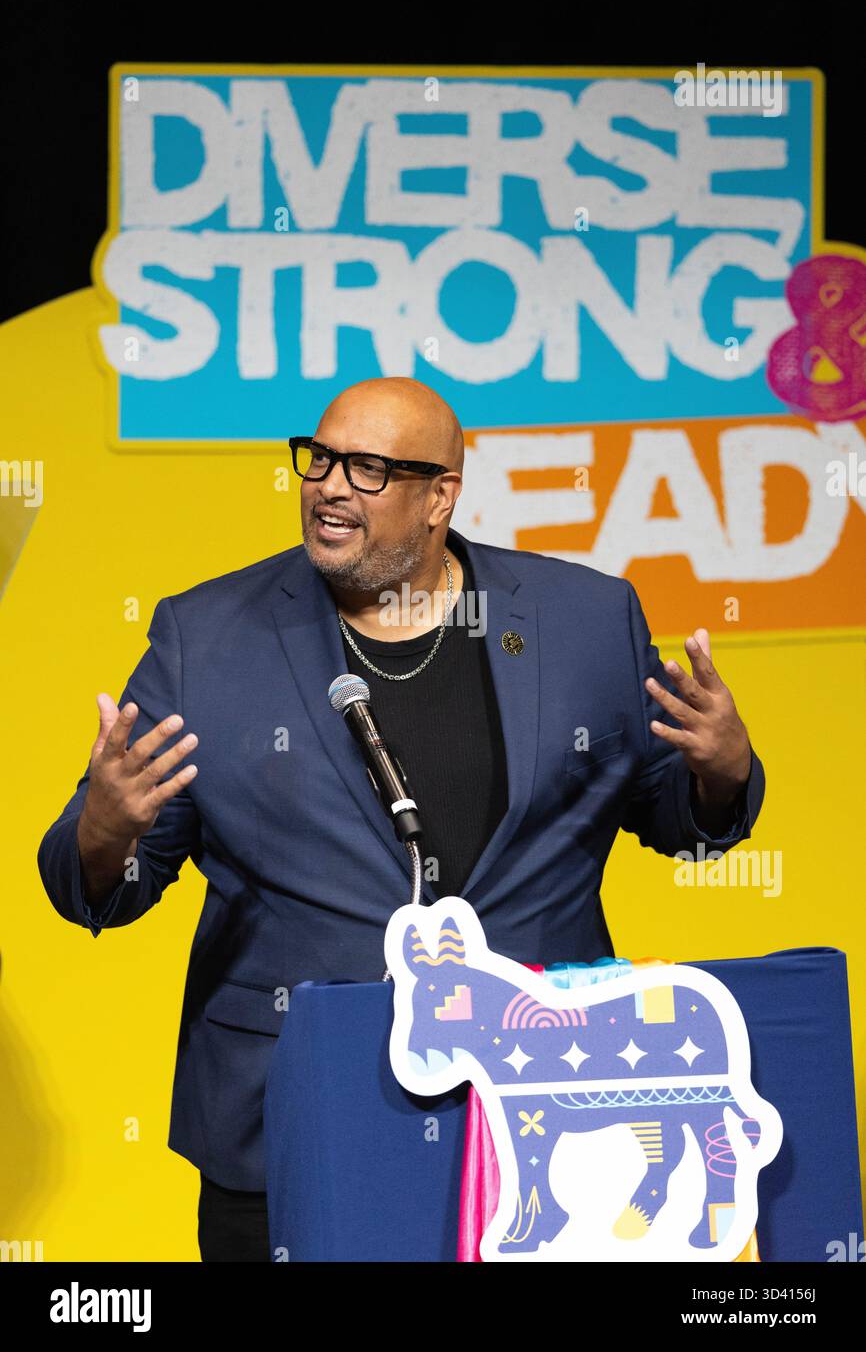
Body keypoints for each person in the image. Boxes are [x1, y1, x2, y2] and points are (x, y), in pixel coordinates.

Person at [37, 376, 765, 1262]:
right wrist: (108, 825)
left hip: (541, 1120)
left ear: (440, 497)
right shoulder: (206, 638)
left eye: (370, 468)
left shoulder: (581, 619)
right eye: (321, 458)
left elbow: (679, 818)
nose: (331, 485)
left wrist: (723, 776)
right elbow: (92, 887)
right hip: (294, 1125)